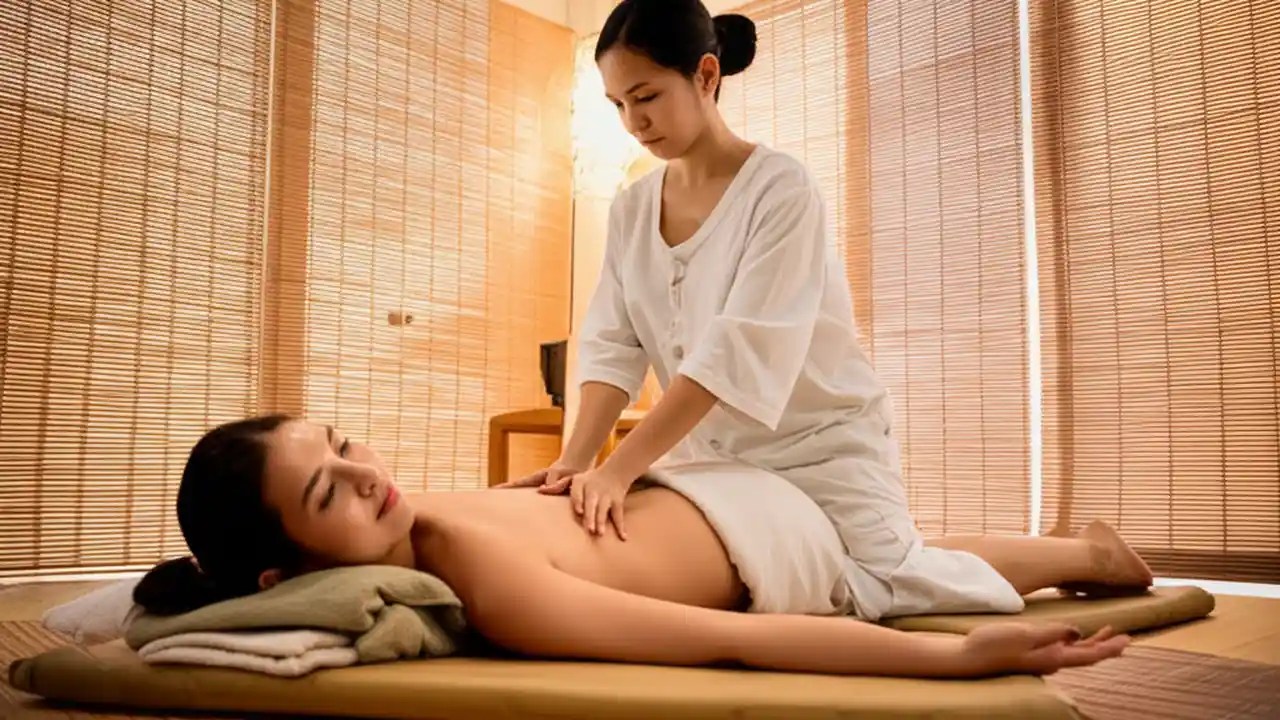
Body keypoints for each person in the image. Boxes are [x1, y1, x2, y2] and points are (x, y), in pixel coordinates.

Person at [499, 0, 1149, 621]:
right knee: (801, 575)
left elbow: (735, 351)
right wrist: (576, 463)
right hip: (716, 457)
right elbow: (613, 346)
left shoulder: (780, 189)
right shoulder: (632, 209)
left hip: (821, 444)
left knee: (887, 579)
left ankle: (1088, 555)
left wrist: (622, 468)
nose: (634, 122)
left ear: (705, 75)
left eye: (646, 97)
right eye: (618, 104)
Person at [135, 415, 1148, 679]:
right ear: (282, 574)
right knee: (896, 569)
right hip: (767, 543)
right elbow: (725, 640)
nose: (366, 475)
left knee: (894, 566)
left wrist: (575, 474)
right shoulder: (483, 585)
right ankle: (1085, 555)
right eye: (329, 490)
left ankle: (1083, 555)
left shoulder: (413, 519)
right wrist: (951, 658)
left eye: (343, 443)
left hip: (732, 499)